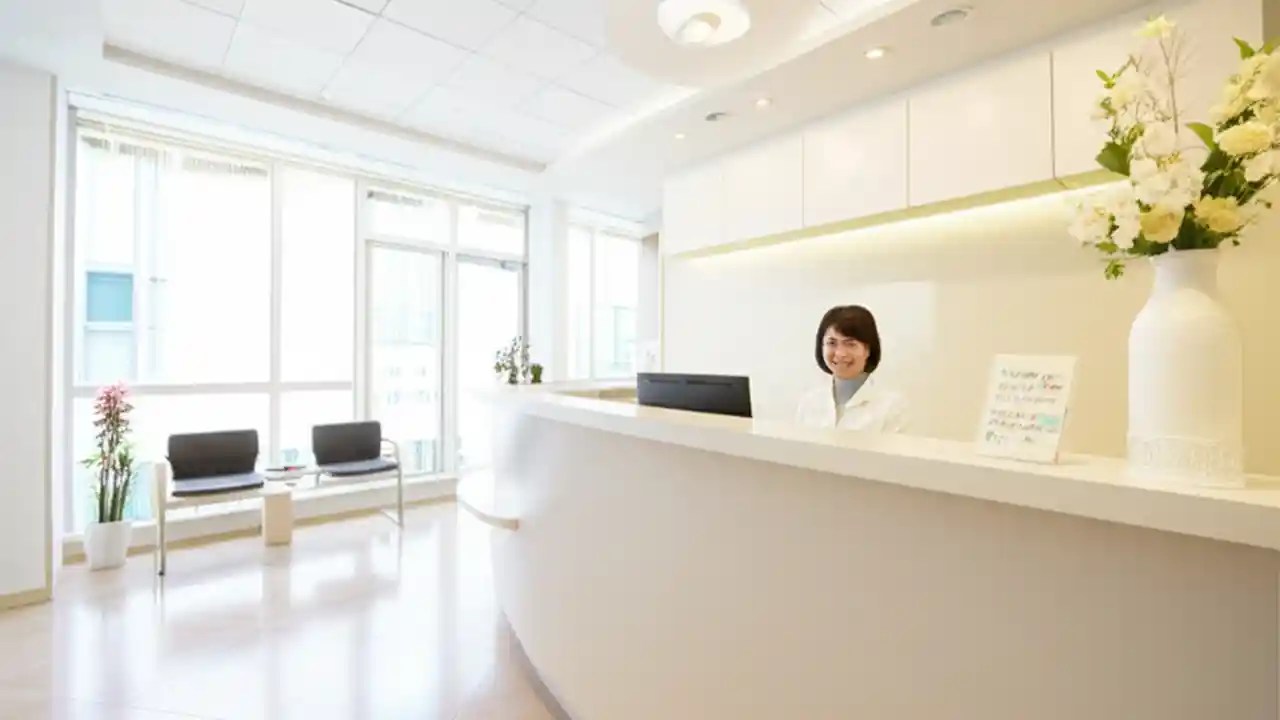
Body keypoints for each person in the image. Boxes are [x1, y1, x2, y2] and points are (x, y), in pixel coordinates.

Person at [795, 305, 909, 432]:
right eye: (832, 343)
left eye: (850, 344)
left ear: (868, 350)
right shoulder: (809, 402)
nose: (840, 353)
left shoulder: (891, 407)